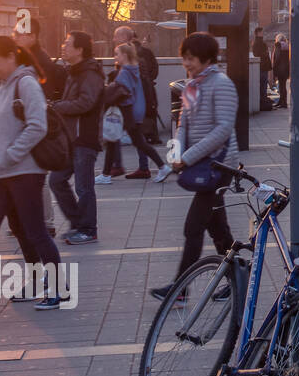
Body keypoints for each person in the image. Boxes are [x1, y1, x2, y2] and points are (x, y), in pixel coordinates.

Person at [0, 37, 64, 308]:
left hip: (25, 173)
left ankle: (59, 289)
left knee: (36, 232)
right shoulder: (2, 87)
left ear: (11, 56)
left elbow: (37, 127)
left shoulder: (26, 83)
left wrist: (10, 155)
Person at [151, 33, 238, 300]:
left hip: (219, 165)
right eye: (184, 58)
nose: (185, 63)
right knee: (218, 229)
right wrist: (176, 152)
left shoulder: (221, 84)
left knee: (193, 227)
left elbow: (223, 129)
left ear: (207, 58)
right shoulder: (192, 85)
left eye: (190, 58)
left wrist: (187, 157)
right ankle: (237, 276)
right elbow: (183, 123)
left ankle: (180, 289)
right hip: (203, 163)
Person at [0, 50, 39, 283]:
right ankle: (40, 280)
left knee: (29, 232)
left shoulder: (9, 91)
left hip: (14, 172)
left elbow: (34, 127)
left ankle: (46, 282)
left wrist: (6, 157)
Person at [49, 31, 104, 246]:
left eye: (67, 43)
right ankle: (78, 223)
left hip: (84, 138)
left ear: (80, 49)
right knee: (56, 180)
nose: (63, 46)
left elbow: (85, 103)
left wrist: (57, 107)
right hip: (71, 139)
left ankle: (88, 230)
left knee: (84, 187)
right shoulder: (75, 71)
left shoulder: (90, 73)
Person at [11, 17, 61, 237]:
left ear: (31, 36)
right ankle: (29, 221)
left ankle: (46, 222)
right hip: (29, 123)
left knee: (38, 177)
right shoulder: (28, 58)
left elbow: (43, 96)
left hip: (36, 126)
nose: (15, 37)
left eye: (18, 34)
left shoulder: (38, 61)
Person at [98, 44, 168, 182]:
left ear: (124, 55)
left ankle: (162, 166)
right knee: (115, 141)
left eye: (117, 54)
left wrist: (109, 91)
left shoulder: (124, 72)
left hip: (127, 112)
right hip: (134, 110)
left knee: (138, 142)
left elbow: (123, 93)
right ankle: (105, 174)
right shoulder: (134, 69)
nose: (115, 57)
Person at [114, 26, 160, 145]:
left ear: (124, 37)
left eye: (116, 36)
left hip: (135, 95)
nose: (114, 39)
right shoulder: (146, 52)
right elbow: (154, 70)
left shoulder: (126, 54)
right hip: (147, 91)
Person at [251, 27, 273, 112]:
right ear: (258, 33)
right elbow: (257, 54)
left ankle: (262, 103)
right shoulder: (258, 43)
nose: (263, 33)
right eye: (261, 32)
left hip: (262, 67)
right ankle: (262, 103)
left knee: (262, 85)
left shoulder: (257, 42)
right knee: (262, 86)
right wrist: (265, 53)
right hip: (262, 67)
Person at [272, 34, 290, 108]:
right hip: (286, 69)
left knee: (281, 86)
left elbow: (277, 57)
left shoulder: (278, 45)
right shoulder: (287, 46)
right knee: (283, 86)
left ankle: (282, 103)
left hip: (280, 69)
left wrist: (274, 67)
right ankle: (283, 102)